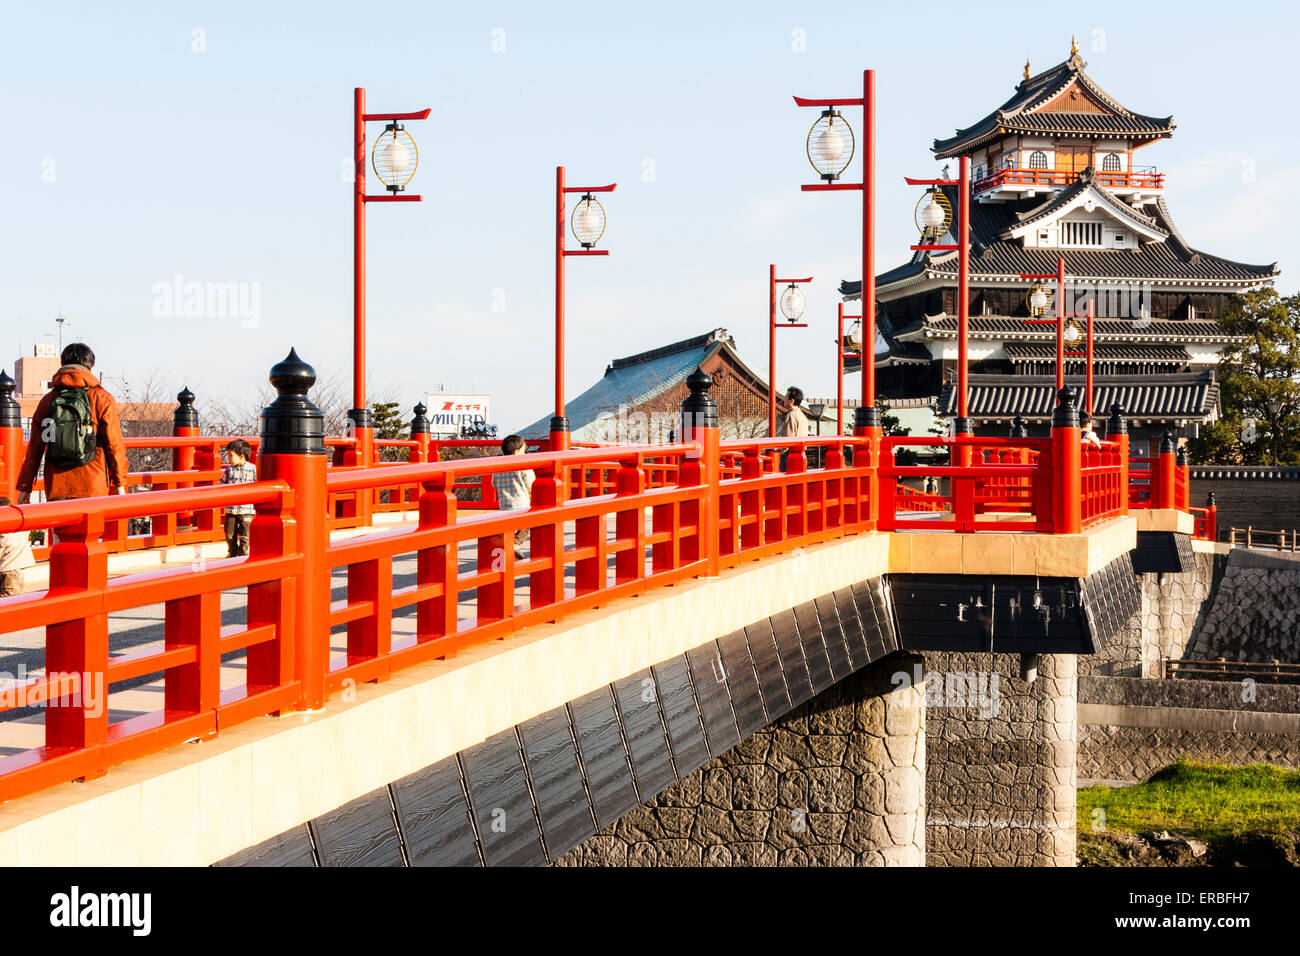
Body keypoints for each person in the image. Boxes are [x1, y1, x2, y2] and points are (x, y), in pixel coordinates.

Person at [15, 343, 129, 504]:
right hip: (92, 485)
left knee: (60, 528)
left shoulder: (47, 401)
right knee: (92, 528)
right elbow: (114, 444)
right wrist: (120, 483)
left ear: (62, 365)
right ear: (90, 367)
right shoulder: (102, 398)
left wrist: (25, 487)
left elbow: (35, 447)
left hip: (56, 485)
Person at [491, 434, 535, 559]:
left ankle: (506, 542)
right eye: (523, 451)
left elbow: (493, 483)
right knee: (526, 524)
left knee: (508, 526)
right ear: (517, 452)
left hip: (504, 505)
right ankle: (515, 543)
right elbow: (531, 483)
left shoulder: (498, 466)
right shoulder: (523, 464)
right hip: (522, 505)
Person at [220, 439, 257, 557]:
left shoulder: (253, 469)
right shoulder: (228, 470)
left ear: (241, 456)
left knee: (245, 536)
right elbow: (221, 485)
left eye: (231, 455)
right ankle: (232, 553)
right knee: (229, 535)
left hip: (247, 509)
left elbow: (258, 485)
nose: (229, 458)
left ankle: (243, 555)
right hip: (231, 509)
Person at [0, 497, 35, 598]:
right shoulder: (22, 526)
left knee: (5, 600)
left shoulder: (3, 534)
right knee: (10, 600)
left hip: (5, 570)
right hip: (15, 571)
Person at [776, 386, 809, 470]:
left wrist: (782, 451)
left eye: (786, 397)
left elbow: (789, 437)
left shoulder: (791, 415)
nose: (784, 400)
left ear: (792, 401)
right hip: (801, 453)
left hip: (790, 454)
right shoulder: (802, 415)